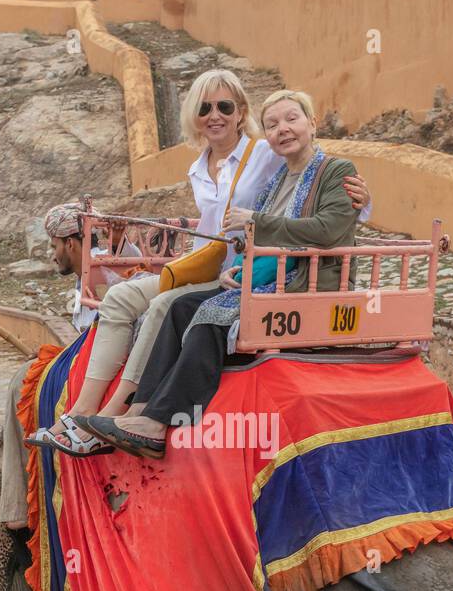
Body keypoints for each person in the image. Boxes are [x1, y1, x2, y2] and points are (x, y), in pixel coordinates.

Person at [25, 69, 369, 458]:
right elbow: (249, 233)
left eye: (291, 120)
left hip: (299, 281)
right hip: (245, 269)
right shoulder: (261, 175)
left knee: (197, 312)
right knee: (173, 307)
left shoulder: (289, 163)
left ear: (311, 122)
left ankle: (148, 417)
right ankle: (134, 414)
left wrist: (363, 199)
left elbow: (331, 225)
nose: (282, 130)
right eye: (273, 124)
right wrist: (243, 261)